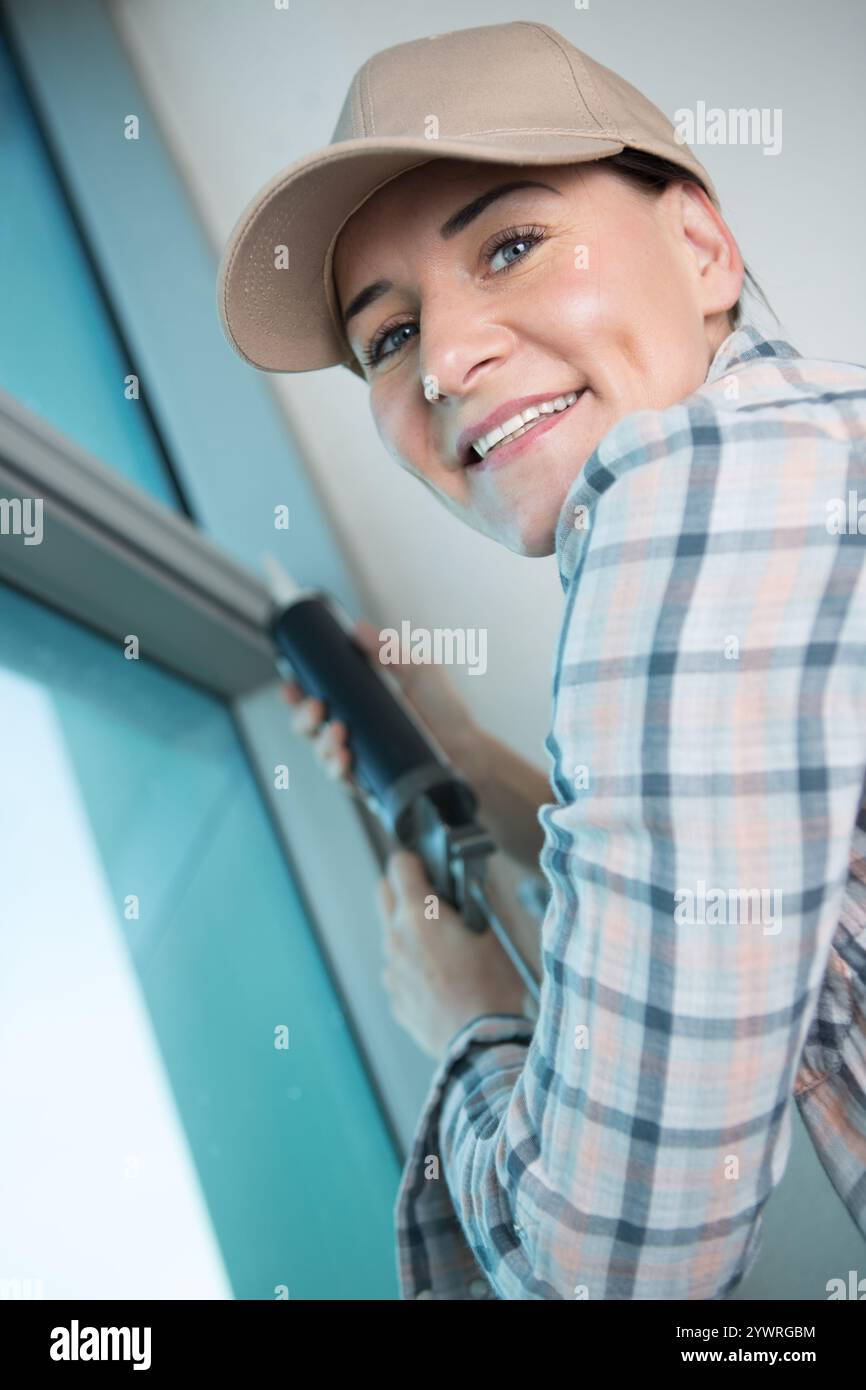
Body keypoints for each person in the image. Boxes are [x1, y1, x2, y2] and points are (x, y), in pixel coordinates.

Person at [218, 21, 866, 1299]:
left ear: (700, 247)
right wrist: (462, 758)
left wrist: (466, 1017)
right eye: (387, 337)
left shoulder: (681, 496)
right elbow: (745, 877)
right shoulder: (799, 459)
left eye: (509, 245)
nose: (445, 359)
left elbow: (606, 1274)